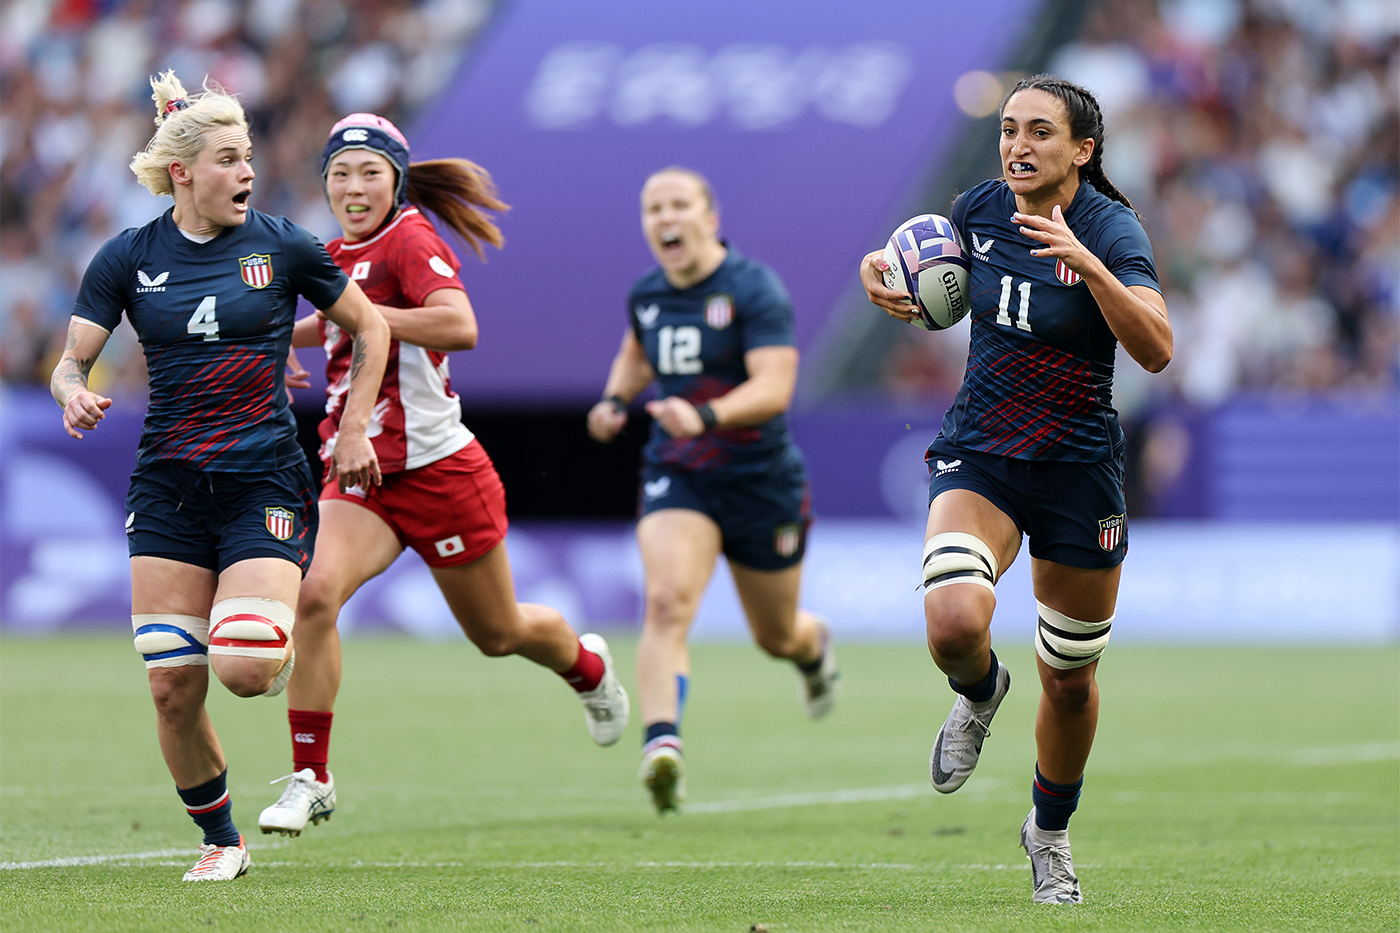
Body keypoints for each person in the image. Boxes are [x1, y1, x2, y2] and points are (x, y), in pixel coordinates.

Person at [50, 72, 390, 882]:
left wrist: (350, 428)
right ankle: (222, 840)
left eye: (248, 158)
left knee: (238, 671)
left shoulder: (282, 244)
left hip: (262, 481)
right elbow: (69, 363)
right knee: (172, 684)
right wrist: (74, 394)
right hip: (167, 487)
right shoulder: (127, 257)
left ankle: (265, 642)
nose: (247, 173)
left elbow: (370, 328)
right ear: (183, 172)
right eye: (230, 159)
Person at [257, 114, 630, 837]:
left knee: (498, 632)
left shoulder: (411, 238)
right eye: (340, 173)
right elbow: (338, 321)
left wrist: (367, 316)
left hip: (439, 470)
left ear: (396, 181)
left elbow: (459, 324)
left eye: (369, 172)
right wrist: (274, 336)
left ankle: (585, 664)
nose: (354, 186)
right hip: (362, 473)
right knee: (314, 597)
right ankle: (312, 777)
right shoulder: (334, 252)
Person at [859, 75, 1171, 904]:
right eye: (1008, 129)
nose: (1018, 145)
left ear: (1082, 150)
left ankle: (1049, 833)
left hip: (1077, 471)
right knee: (955, 620)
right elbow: (919, 267)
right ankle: (980, 689)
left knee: (1069, 678)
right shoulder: (980, 208)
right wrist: (878, 275)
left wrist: (1092, 269)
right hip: (983, 452)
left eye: (1039, 131)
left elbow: (1158, 348)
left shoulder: (1112, 227)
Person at [587, 167, 841, 814]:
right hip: (681, 471)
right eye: (652, 208)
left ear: (710, 218)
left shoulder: (753, 288)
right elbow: (637, 352)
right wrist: (616, 399)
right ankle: (661, 744)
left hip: (761, 481)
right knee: (667, 602)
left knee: (776, 634)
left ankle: (813, 652)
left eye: (678, 205)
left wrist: (704, 414)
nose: (665, 218)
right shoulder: (647, 294)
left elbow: (774, 387)